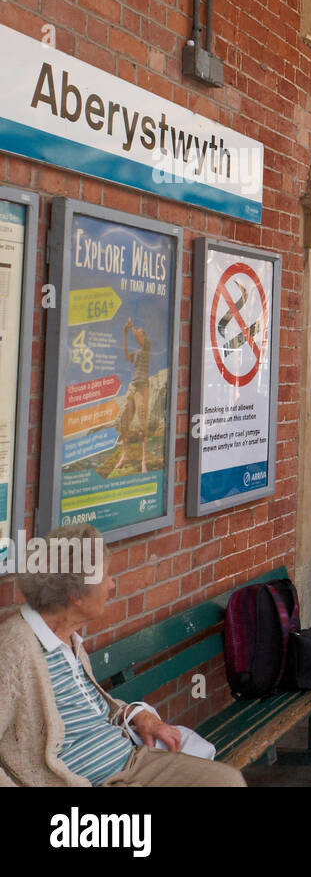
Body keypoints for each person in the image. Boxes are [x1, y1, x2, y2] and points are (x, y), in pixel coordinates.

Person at [0, 524, 245, 787]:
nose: (111, 585)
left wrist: (137, 715)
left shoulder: (70, 639)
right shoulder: (15, 648)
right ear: (76, 596)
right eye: (105, 577)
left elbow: (93, 710)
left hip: (132, 760)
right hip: (84, 781)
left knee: (228, 781)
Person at [114, 317, 152, 474]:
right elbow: (126, 356)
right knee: (124, 419)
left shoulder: (147, 347)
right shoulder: (136, 353)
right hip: (132, 387)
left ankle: (144, 461)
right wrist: (124, 335)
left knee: (142, 423)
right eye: (139, 332)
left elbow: (138, 336)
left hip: (143, 388)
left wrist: (131, 327)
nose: (139, 335)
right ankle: (125, 456)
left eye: (141, 333)